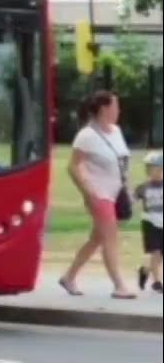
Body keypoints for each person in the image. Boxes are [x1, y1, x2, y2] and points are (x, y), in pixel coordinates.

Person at [59, 90, 137, 299]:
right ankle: (119, 285)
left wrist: (127, 189)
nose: (119, 110)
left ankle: (69, 276)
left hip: (116, 192)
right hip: (99, 194)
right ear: (104, 109)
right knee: (110, 238)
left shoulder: (116, 131)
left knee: (97, 238)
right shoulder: (86, 136)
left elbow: (122, 162)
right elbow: (73, 166)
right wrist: (88, 192)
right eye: (115, 106)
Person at [134, 150, 163, 292]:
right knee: (155, 251)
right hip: (150, 222)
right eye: (153, 169)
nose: (157, 172)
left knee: (159, 254)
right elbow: (132, 201)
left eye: (160, 169)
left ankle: (144, 270)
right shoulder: (143, 187)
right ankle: (157, 282)